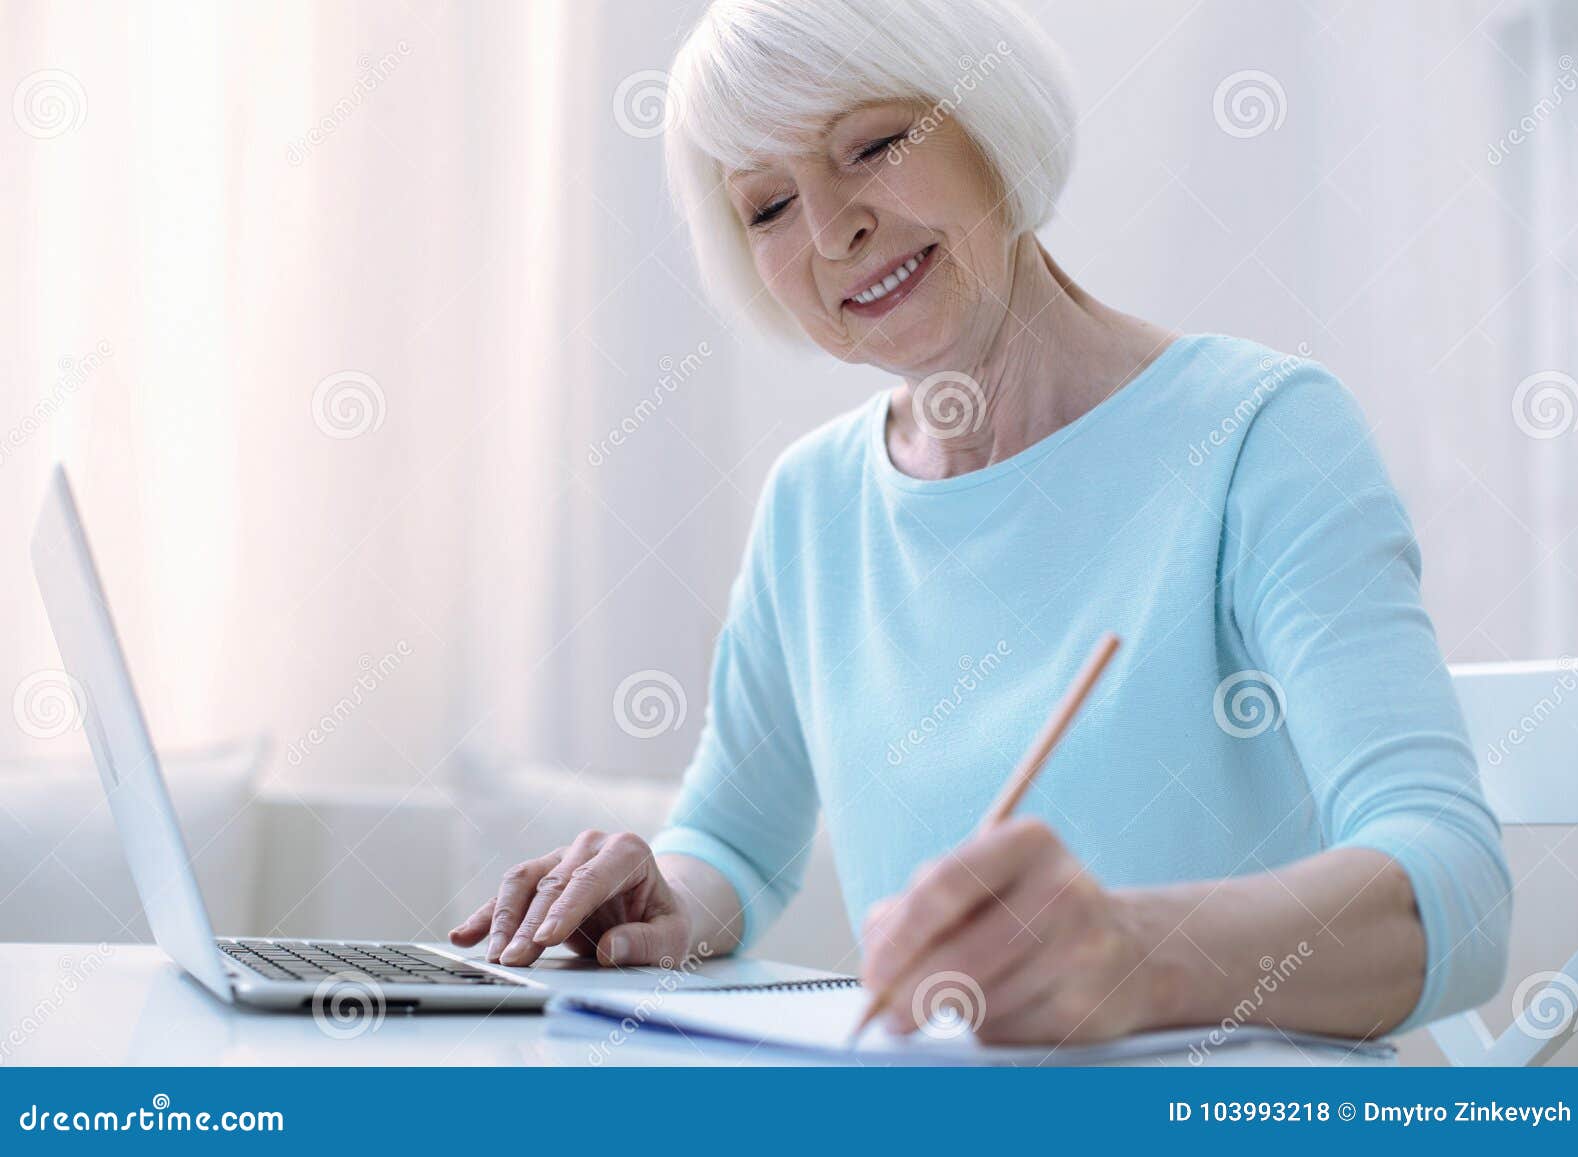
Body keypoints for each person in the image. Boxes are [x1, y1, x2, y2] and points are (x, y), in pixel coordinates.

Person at [450, 0, 1510, 1044]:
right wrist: (665, 903)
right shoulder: (813, 502)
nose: (831, 231)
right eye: (767, 206)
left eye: (870, 145)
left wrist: (1130, 956)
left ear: (987, 121)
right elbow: (729, 837)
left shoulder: (1256, 433)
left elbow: (1455, 888)